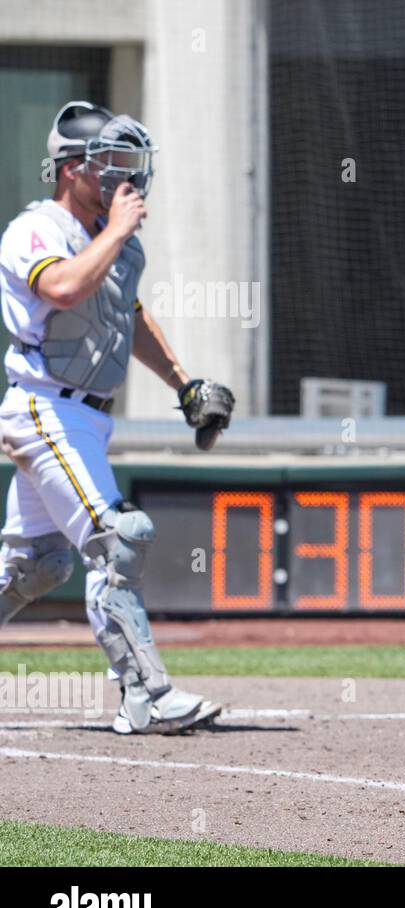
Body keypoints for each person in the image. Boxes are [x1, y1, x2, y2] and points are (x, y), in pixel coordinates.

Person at [0, 102, 234, 734]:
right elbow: (64, 290)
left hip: (85, 417)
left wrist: (185, 385)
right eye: (111, 164)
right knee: (120, 538)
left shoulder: (111, 239)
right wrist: (117, 232)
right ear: (72, 169)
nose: (126, 179)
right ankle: (148, 696)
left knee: (35, 567)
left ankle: (146, 695)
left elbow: (125, 318)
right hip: (45, 407)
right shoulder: (36, 230)